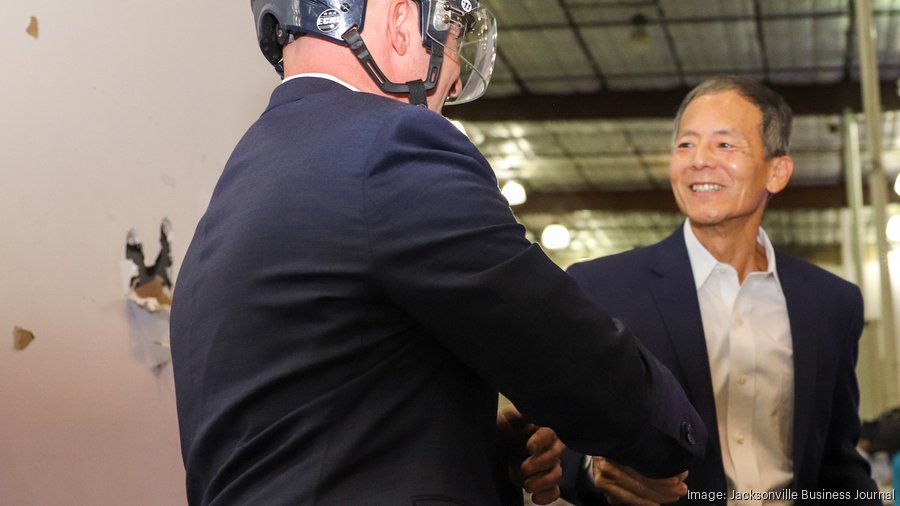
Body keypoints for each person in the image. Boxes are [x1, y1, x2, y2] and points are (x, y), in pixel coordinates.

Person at [169, 1, 707, 505]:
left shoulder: (247, 176)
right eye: (453, 31)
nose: (453, 72)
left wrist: (484, 441)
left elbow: (305, 422)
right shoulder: (394, 146)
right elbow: (569, 355)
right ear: (404, 22)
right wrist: (679, 441)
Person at [559, 75, 881, 505]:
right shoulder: (603, 288)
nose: (699, 161)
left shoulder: (831, 304)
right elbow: (563, 439)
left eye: (725, 145)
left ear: (777, 171)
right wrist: (596, 469)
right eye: (686, 145)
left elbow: (837, 463)